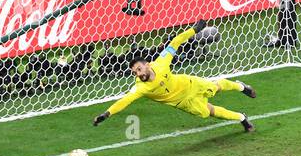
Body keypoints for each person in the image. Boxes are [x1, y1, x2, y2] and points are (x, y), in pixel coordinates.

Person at [92, 23, 257, 131]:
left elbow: (175, 42)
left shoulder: (161, 62)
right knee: (209, 113)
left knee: (216, 87)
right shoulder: (141, 88)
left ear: (147, 64)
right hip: (183, 102)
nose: (139, 74)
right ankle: (242, 118)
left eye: (140, 69)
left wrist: (195, 29)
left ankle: (242, 87)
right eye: (135, 72)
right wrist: (106, 114)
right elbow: (124, 101)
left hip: (190, 84)